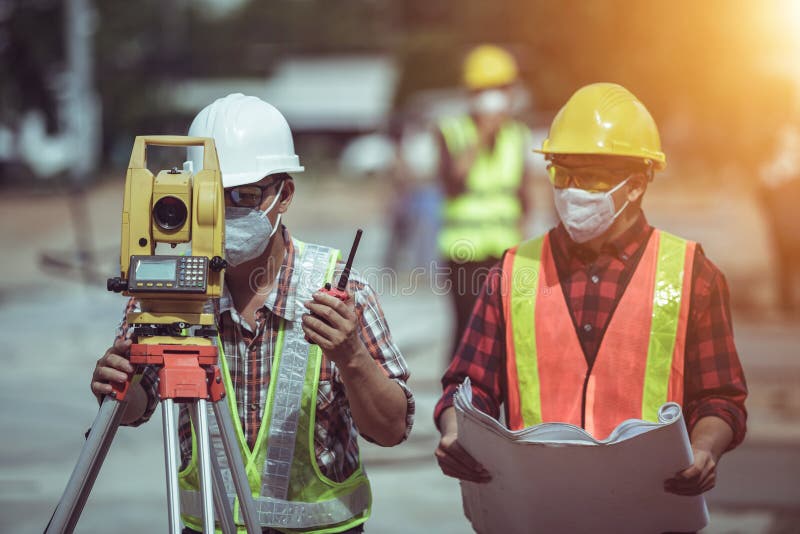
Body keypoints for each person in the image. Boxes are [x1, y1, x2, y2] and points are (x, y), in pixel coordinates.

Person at [91, 93, 414, 533]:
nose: (225, 212)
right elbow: (135, 409)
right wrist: (118, 389)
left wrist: (352, 357)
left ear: (285, 195)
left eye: (244, 194)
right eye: (210, 196)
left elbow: (392, 429)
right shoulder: (163, 294)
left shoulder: (342, 293)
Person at [434, 83, 748, 503]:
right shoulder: (513, 272)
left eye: (592, 175)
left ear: (636, 184)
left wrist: (706, 448)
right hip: (541, 509)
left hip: (649, 512)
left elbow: (720, 398)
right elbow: (467, 388)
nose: (572, 189)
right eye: (562, 172)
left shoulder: (693, 274)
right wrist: (457, 432)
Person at [435, 44, 534, 359]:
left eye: (501, 89)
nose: (495, 98)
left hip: (504, 251)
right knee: (466, 329)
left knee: (503, 331)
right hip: (463, 253)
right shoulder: (451, 132)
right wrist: (481, 135)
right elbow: (451, 184)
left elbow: (524, 197)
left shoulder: (517, 134)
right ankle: (454, 399)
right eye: (486, 90)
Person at [759, 122, 800, 315]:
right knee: (785, 266)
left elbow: (763, 196)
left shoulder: (777, 173)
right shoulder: (780, 171)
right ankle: (786, 304)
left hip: (783, 228)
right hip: (785, 228)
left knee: (785, 267)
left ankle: (786, 304)